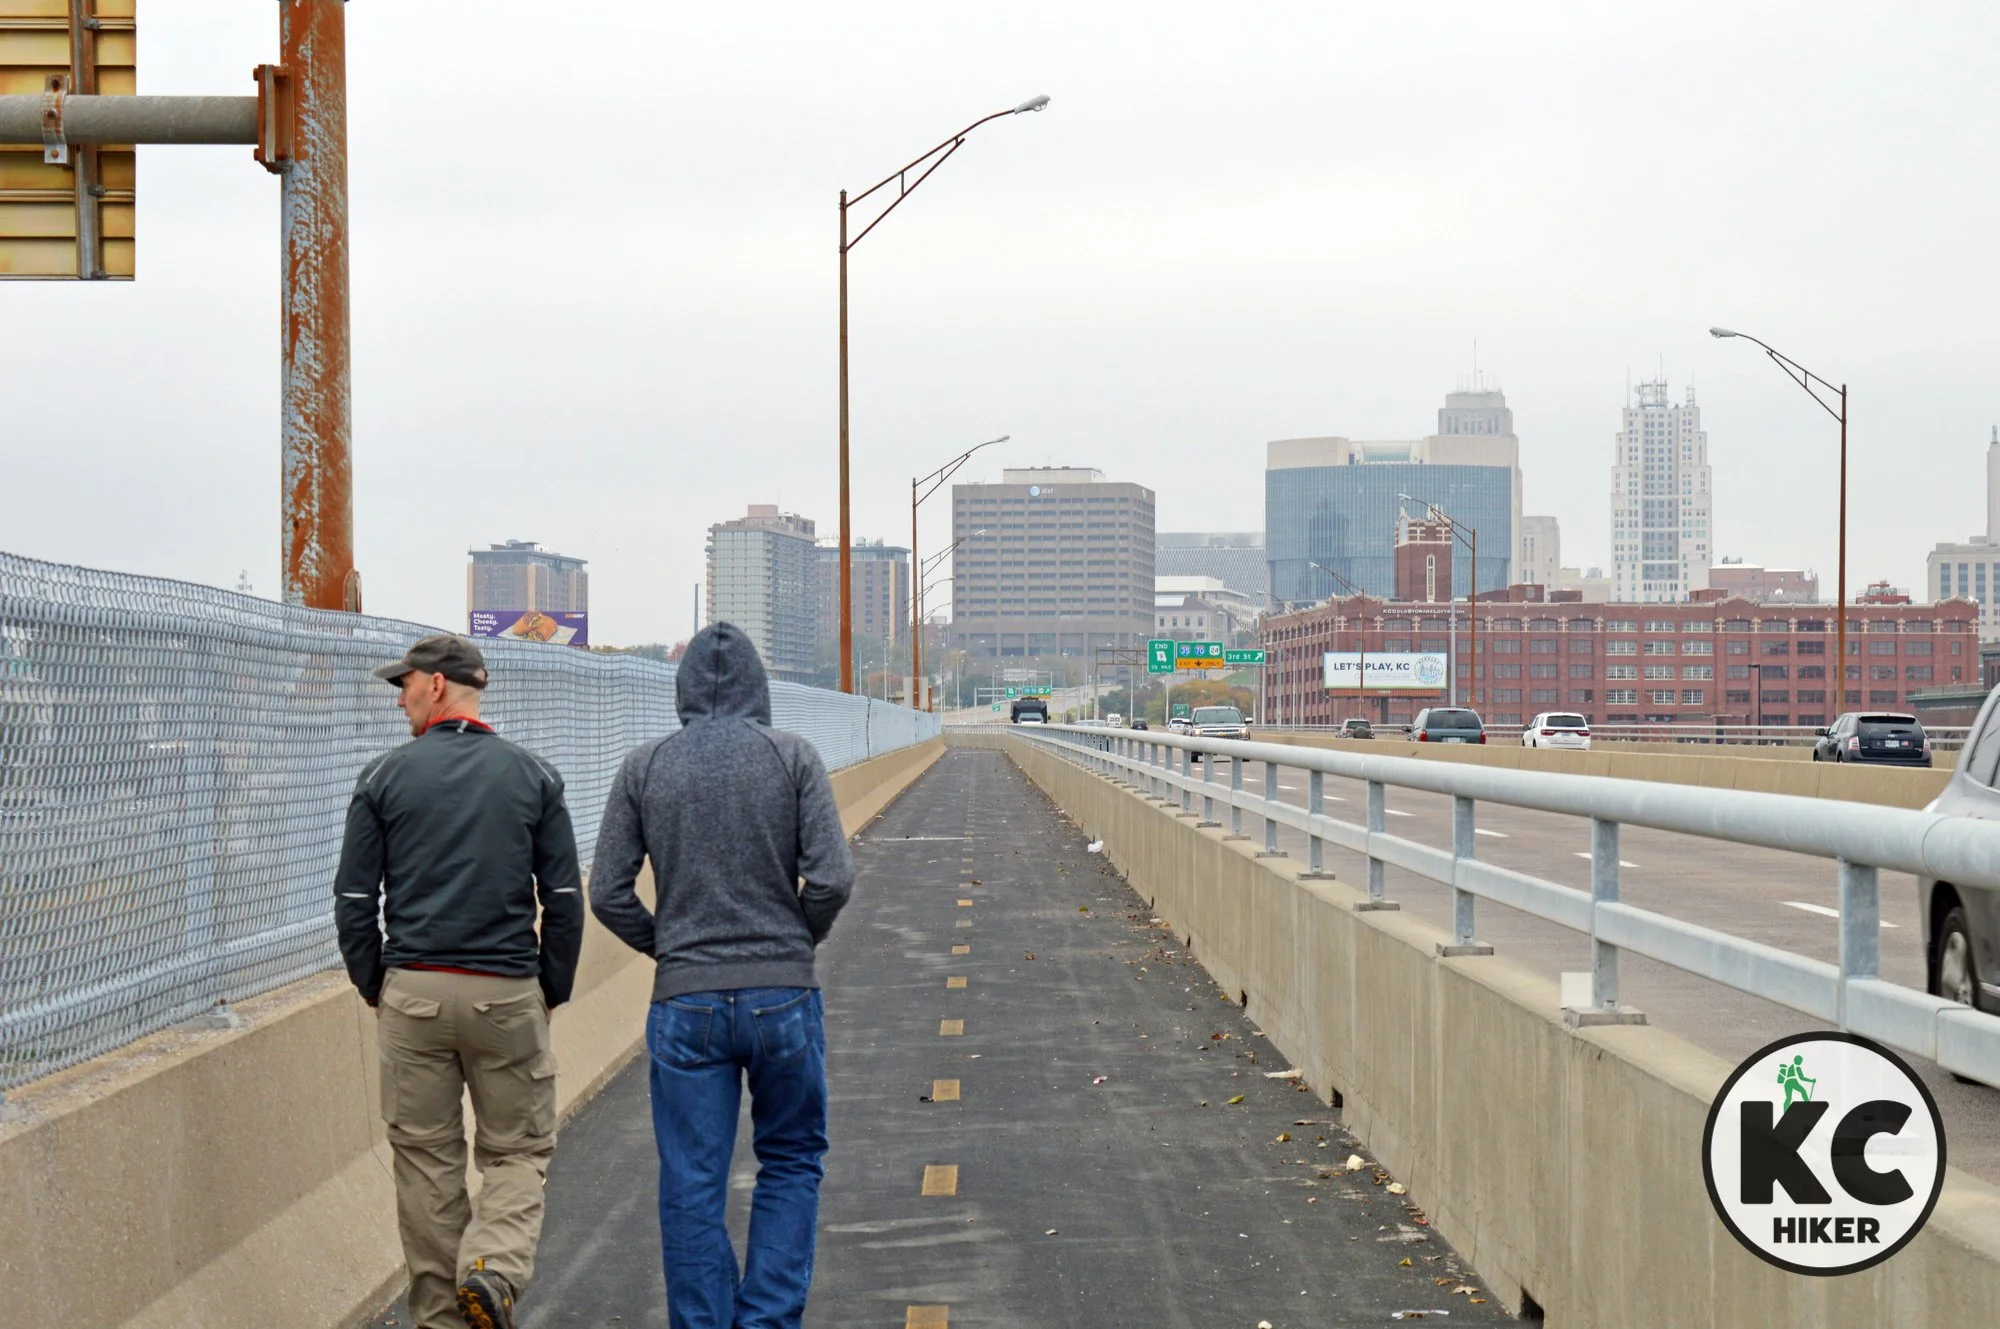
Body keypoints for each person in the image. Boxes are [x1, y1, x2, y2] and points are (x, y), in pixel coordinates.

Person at [591, 622, 855, 1329]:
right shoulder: (793, 757)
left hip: (686, 1001)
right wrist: (795, 939)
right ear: (759, 688)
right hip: (782, 995)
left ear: (681, 691)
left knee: (691, 1181)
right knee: (791, 1159)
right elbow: (833, 877)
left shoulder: (645, 767)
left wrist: (667, 946)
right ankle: (766, 1319)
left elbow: (607, 892)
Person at [334, 633, 585, 1329]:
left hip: (412, 991)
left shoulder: (383, 777)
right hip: (505, 992)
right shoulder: (534, 776)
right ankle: (494, 1268)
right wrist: (549, 989)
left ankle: (444, 1319)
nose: (401, 699)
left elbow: (354, 900)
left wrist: (376, 984)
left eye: (406, 685)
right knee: (517, 1150)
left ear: (437, 686)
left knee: (425, 1163)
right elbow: (565, 899)